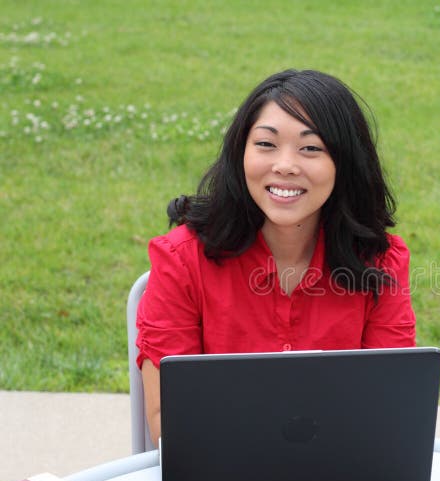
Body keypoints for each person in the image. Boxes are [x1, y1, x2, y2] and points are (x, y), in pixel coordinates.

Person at [136, 70, 416, 444]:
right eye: (266, 144)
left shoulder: (380, 264)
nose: (285, 165)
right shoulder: (181, 260)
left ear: (345, 163)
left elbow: (389, 411)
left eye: (310, 148)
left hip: (342, 480)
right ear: (240, 153)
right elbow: (167, 423)